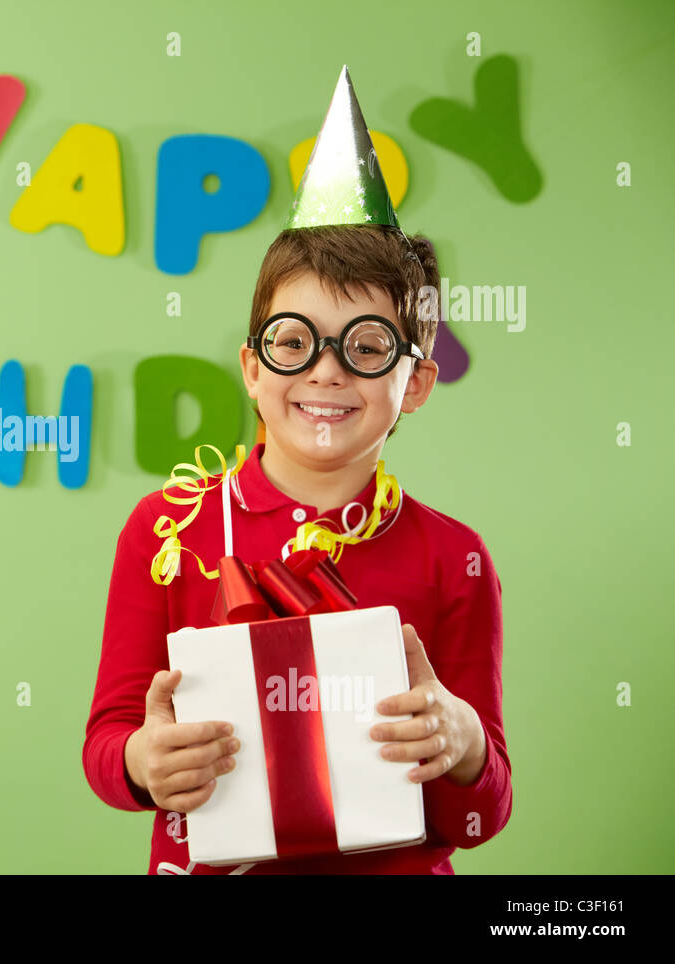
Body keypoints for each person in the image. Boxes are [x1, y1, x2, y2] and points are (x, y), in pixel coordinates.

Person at [82, 67, 511, 875]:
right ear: (251, 366)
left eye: (367, 347)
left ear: (415, 382)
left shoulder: (455, 560)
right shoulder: (167, 531)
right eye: (293, 341)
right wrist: (144, 761)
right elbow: (108, 743)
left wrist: (463, 746)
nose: (325, 373)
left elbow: (483, 816)